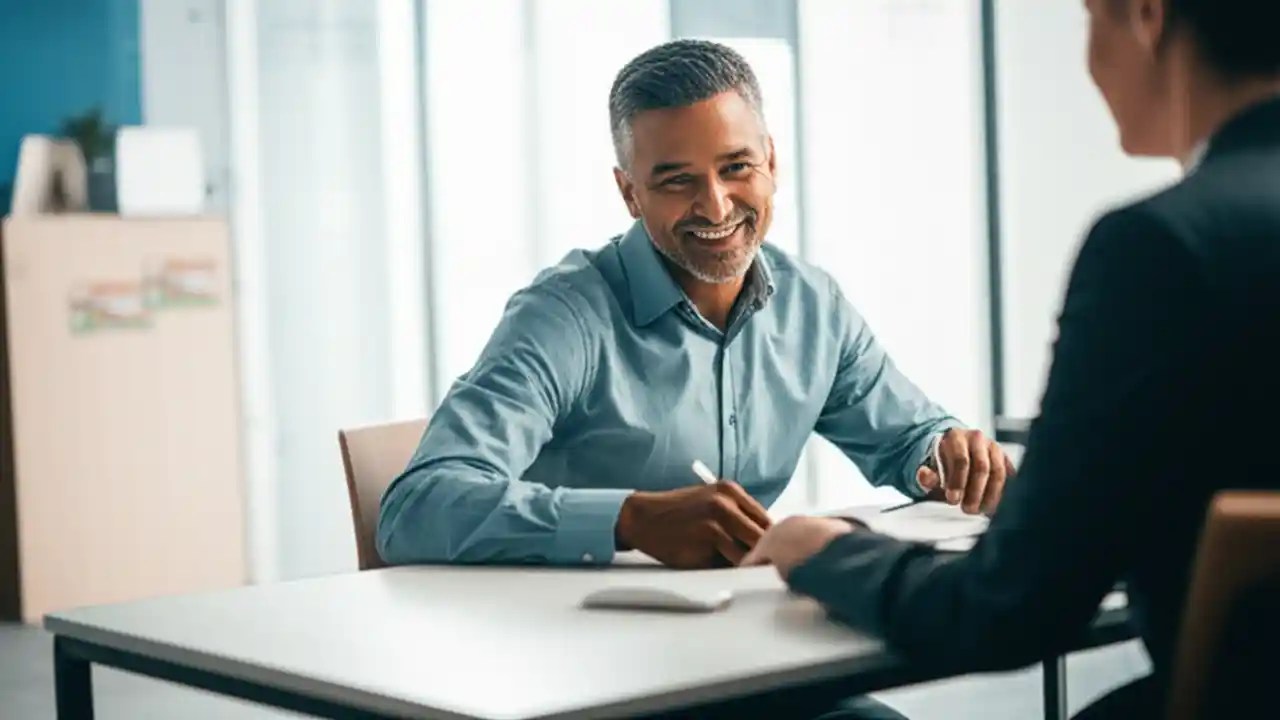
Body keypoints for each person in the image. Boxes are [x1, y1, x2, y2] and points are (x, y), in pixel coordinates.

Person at [744, 1, 1280, 717]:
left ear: (1147, 16)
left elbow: (1011, 607)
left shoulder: (1160, 248)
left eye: (1089, 18)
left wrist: (823, 553)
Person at [377, 39, 1010, 573]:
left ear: (771, 162)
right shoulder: (563, 316)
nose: (714, 206)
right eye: (677, 180)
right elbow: (416, 509)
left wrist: (948, 454)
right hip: (590, 674)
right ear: (629, 193)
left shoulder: (812, 305)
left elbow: (910, 441)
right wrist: (628, 519)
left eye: (737, 167)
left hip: (751, 650)